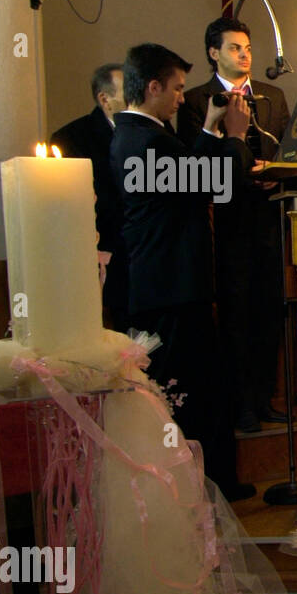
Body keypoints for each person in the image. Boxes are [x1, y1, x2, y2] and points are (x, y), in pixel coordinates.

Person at [114, 42, 256, 502]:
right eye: (175, 89)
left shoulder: (142, 136)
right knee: (192, 398)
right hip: (171, 290)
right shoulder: (145, 141)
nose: (181, 97)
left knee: (196, 392)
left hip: (167, 287)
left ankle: (208, 487)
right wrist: (235, 135)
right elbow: (216, 184)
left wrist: (212, 131)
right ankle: (203, 491)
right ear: (152, 87)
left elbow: (190, 176)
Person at [177, 17, 291, 433]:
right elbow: (196, 164)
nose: (244, 55)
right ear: (214, 53)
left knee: (269, 309)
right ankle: (240, 403)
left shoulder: (273, 96)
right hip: (226, 221)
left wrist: (278, 171)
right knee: (236, 313)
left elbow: (292, 147)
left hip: (270, 215)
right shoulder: (195, 101)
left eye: (247, 48)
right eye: (234, 48)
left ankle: (266, 398)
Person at [51, 63, 129, 331]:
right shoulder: (72, 138)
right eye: (128, 91)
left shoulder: (151, 131)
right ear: (104, 98)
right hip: (103, 251)